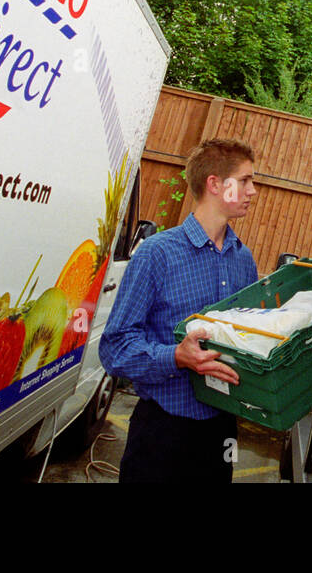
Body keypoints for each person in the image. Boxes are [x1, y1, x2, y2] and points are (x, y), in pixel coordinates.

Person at [100, 137, 259, 483]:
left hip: (222, 428)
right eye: (245, 181)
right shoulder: (157, 254)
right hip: (162, 431)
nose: (253, 191)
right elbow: (114, 349)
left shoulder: (243, 259)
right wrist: (176, 357)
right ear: (215, 184)